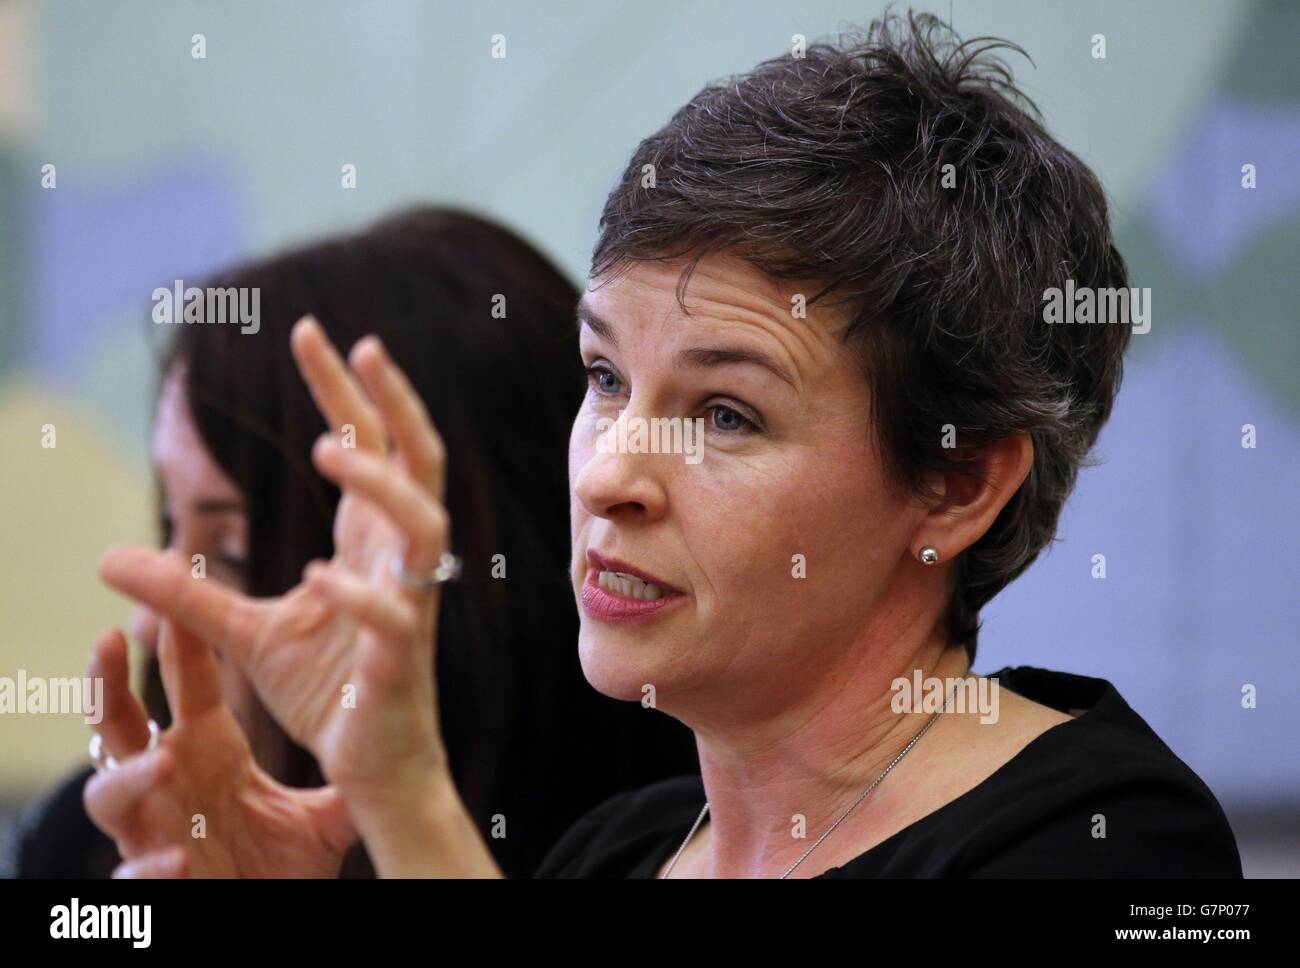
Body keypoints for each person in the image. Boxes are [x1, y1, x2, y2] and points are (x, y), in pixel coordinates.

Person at [83, 13, 1241, 878]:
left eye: (726, 414)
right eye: (601, 377)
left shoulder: (1116, 839)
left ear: (955, 481)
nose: (606, 471)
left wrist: (406, 797)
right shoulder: (611, 852)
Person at [10, 207, 697, 878]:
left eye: (236, 554)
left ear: (453, 590)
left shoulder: (650, 848)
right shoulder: (97, 839)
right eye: (171, 531)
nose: (154, 622)